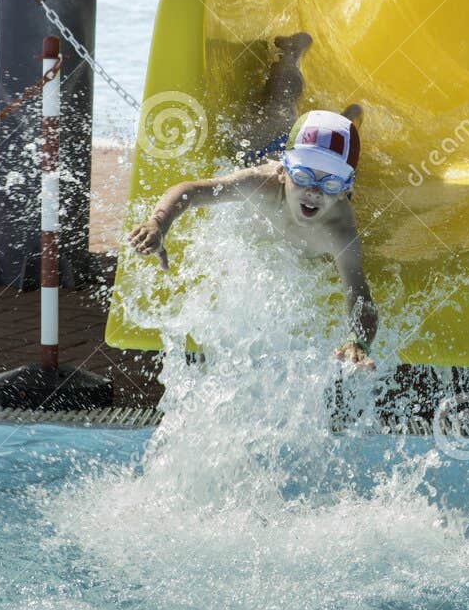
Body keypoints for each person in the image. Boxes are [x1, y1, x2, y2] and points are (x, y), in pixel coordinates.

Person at [128, 34, 377, 370]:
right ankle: (290, 56)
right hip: (269, 145)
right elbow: (192, 191)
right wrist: (158, 222)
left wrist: (358, 340)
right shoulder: (261, 182)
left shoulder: (339, 231)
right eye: (303, 176)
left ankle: (348, 121)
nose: (314, 191)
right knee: (278, 104)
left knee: (327, 130)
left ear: (348, 191)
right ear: (283, 173)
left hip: (309, 158)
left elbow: (359, 296)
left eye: (330, 182)